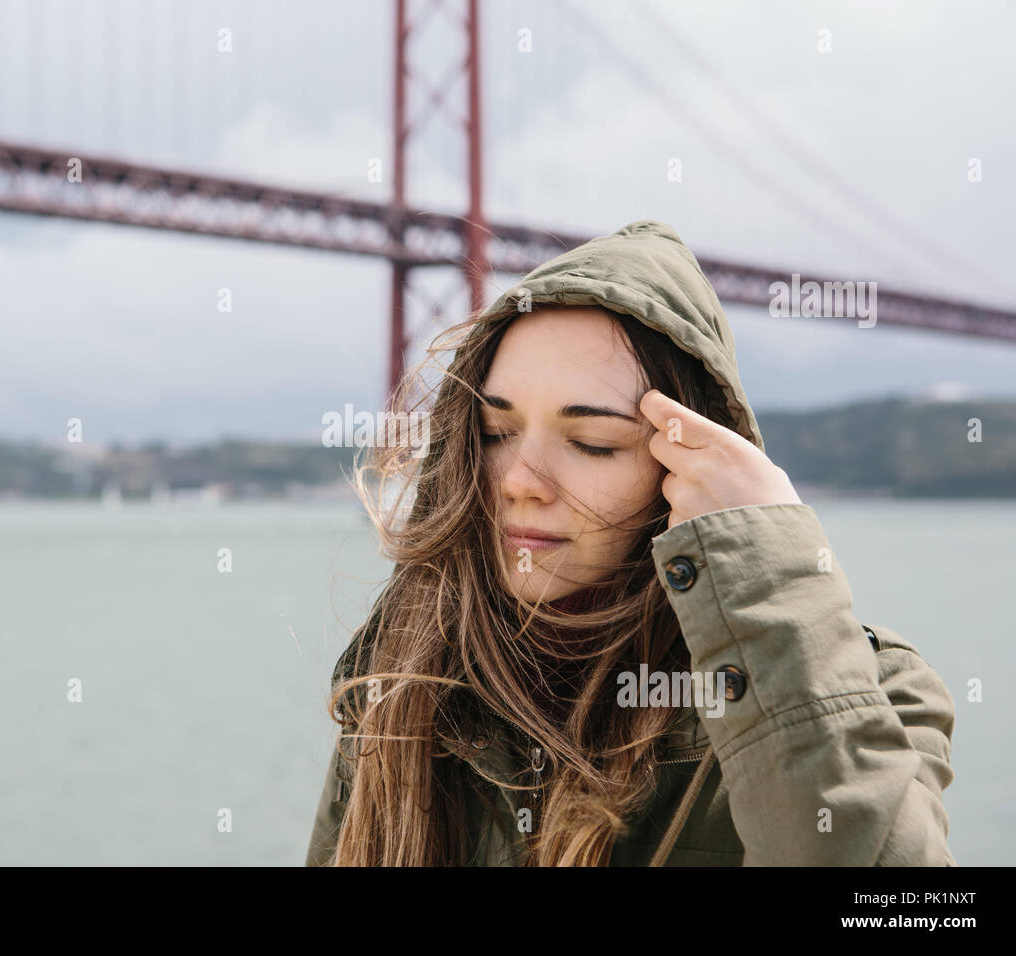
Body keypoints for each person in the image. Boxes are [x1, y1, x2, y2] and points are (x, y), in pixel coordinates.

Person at [305, 220, 956, 866]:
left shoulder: (868, 689)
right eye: (494, 431)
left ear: (687, 472)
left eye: (594, 443)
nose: (518, 483)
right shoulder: (399, 681)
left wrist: (768, 573)